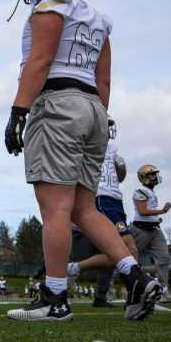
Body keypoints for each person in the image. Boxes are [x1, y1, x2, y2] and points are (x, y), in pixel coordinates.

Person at [3, 0, 160, 322]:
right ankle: (135, 277)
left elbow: (40, 62)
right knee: (84, 209)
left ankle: (54, 299)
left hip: (59, 104)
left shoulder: (50, 5)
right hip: (93, 110)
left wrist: (18, 111)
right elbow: (103, 81)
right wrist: (95, 120)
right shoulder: (98, 18)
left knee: (54, 208)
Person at [63, 117, 141, 308]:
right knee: (128, 248)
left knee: (117, 251)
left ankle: (75, 269)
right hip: (101, 198)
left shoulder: (112, 148)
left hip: (115, 199)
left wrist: (120, 167)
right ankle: (137, 297)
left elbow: (119, 177)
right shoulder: (83, 143)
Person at [129, 165, 171, 304]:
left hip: (155, 229)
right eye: (152, 175)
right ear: (144, 177)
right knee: (127, 259)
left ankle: (164, 292)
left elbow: (149, 212)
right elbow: (143, 211)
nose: (155, 177)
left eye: (155, 174)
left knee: (163, 258)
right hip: (140, 230)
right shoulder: (140, 191)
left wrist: (157, 218)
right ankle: (108, 288)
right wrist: (162, 211)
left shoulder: (150, 191)